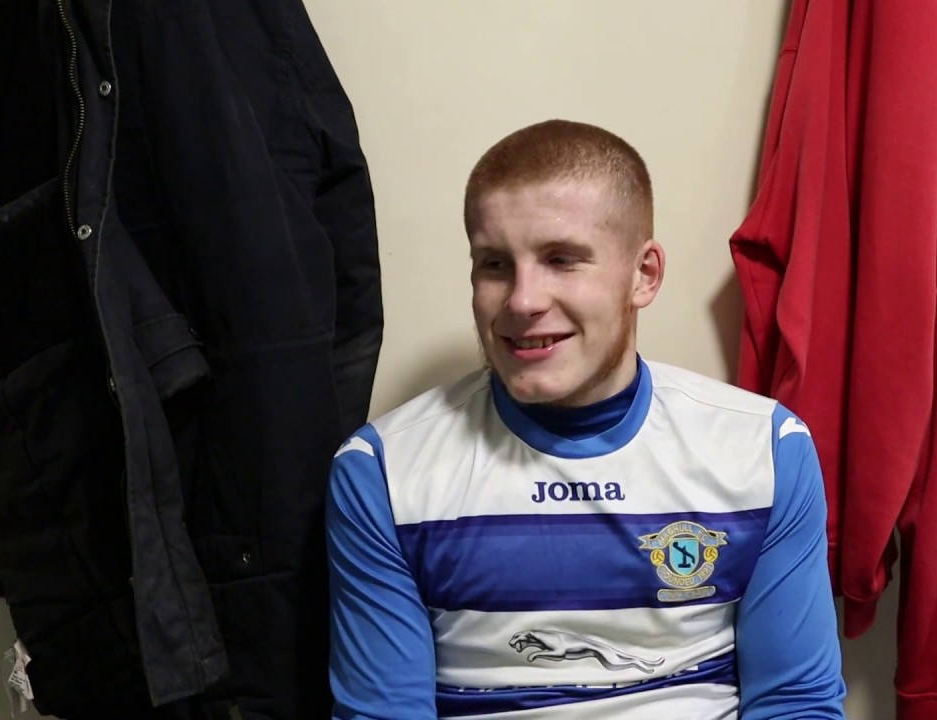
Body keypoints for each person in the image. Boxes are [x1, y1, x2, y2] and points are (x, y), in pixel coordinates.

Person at [326, 119, 847, 719]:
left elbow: (795, 704)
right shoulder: (383, 472)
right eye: (494, 264)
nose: (522, 300)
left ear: (643, 275)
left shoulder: (764, 450)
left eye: (561, 259)